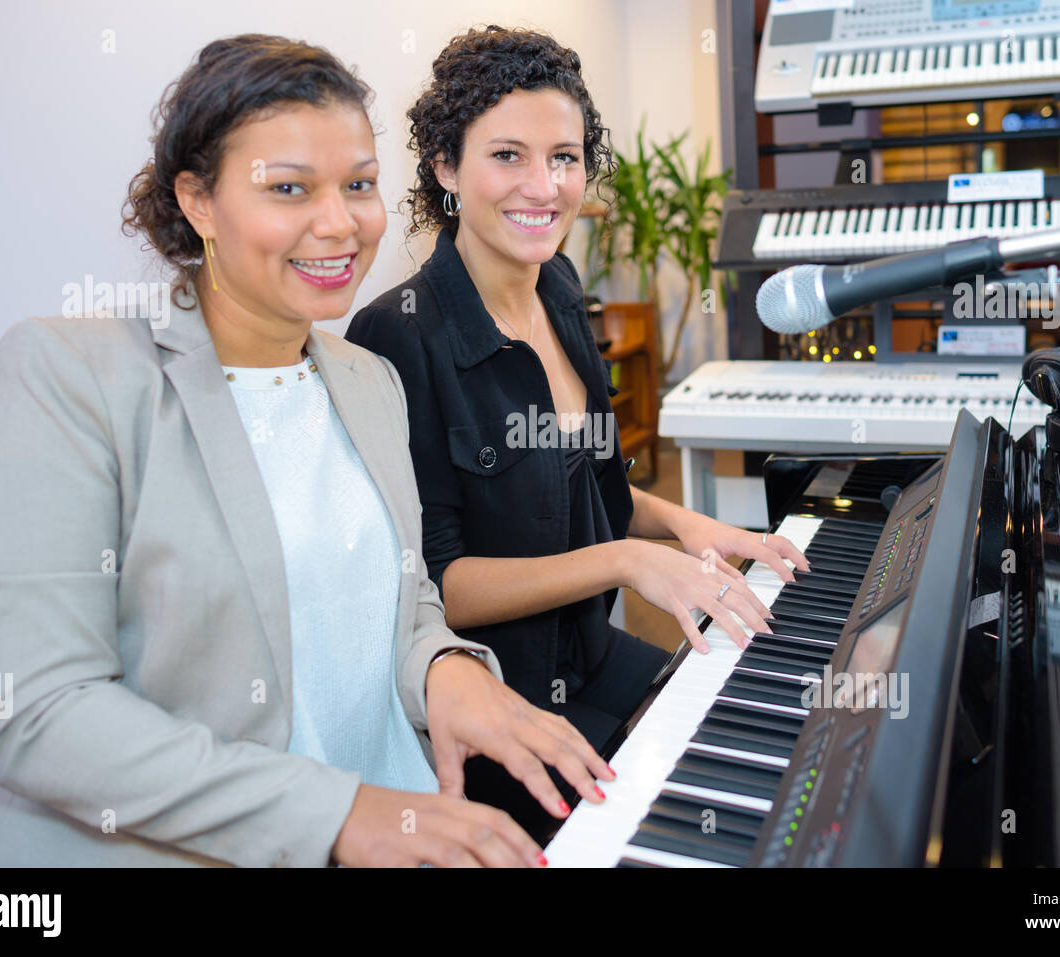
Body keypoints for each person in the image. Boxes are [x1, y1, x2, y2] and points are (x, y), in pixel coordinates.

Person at [0, 34, 612, 869]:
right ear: (199, 202)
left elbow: (405, 605)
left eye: (359, 185)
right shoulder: (66, 375)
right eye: (288, 188)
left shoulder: (367, 380)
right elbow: (40, 717)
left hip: (405, 823)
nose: (339, 223)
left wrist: (448, 669)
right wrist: (336, 814)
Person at [346, 25, 809, 838]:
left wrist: (691, 525)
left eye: (564, 156)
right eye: (508, 155)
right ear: (447, 168)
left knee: (779, 750)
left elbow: (595, 485)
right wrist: (630, 560)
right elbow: (439, 584)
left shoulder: (560, 287)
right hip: (497, 710)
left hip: (594, 656)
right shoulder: (397, 336)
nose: (543, 185)